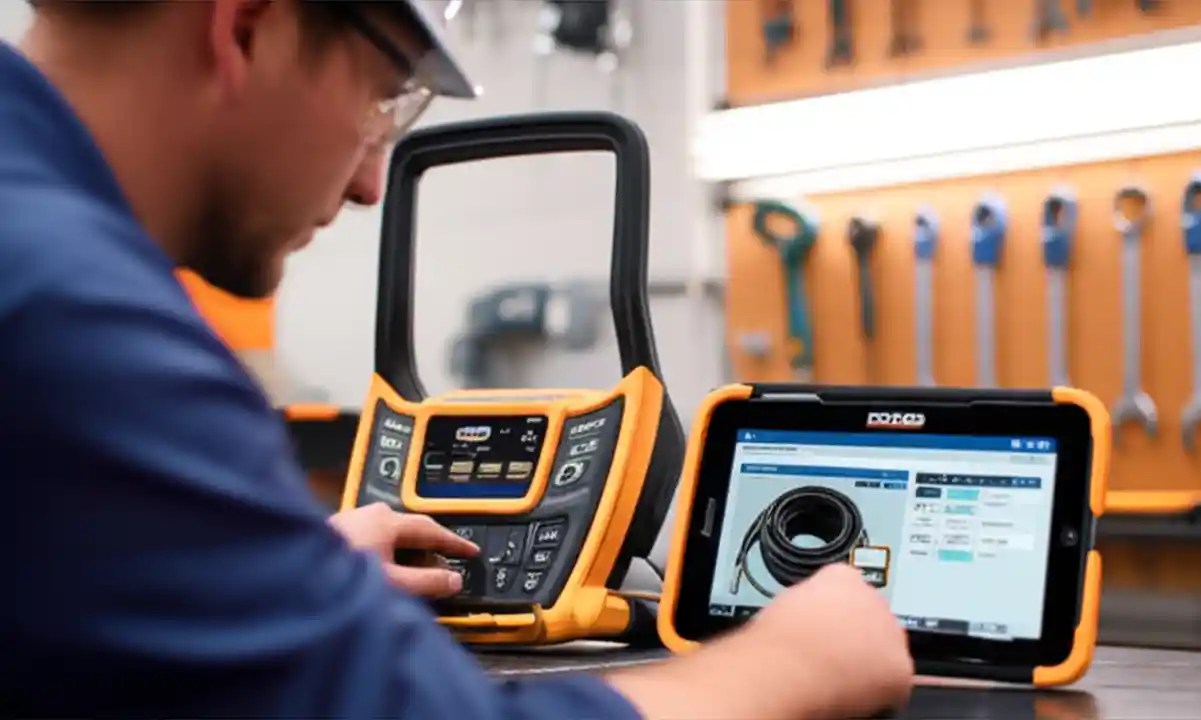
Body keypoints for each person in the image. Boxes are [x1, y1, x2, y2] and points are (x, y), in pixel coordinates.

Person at [0, 1, 914, 718]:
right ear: (245, 24)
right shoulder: (72, 315)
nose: (368, 182)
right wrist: (791, 663)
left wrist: (249, 582)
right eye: (383, 93)